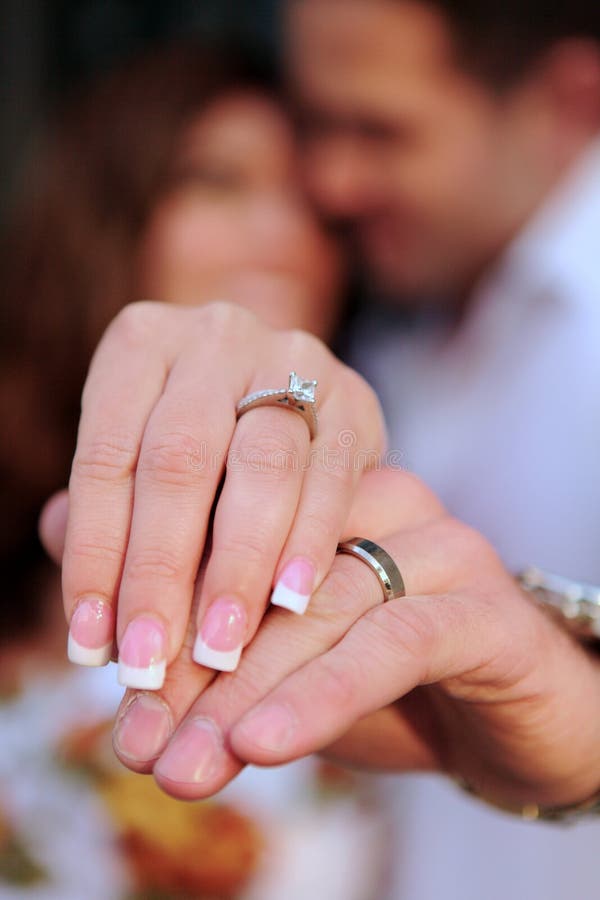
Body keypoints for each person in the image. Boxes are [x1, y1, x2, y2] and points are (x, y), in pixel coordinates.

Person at [38, 2, 600, 897]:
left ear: (573, 98)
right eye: (218, 181)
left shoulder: (388, 397)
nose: (330, 191)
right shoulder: (415, 350)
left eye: (380, 130)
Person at [2, 40, 391, 899]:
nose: (286, 235)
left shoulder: (391, 507)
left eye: (315, 209)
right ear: (110, 206)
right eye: (220, 181)